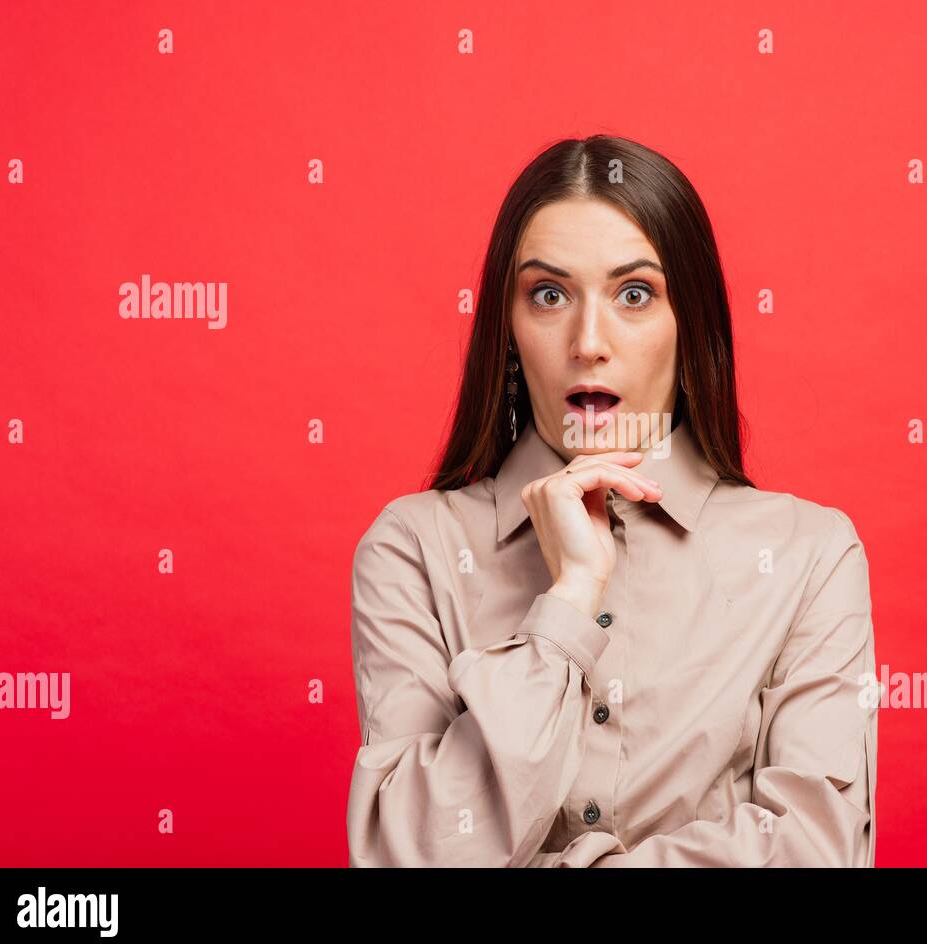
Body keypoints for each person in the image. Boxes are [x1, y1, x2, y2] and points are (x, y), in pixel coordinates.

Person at [346, 134, 877, 867]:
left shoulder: (809, 555)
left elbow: (816, 853)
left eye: (634, 294)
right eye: (549, 294)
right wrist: (567, 602)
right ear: (508, 333)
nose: (588, 341)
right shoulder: (411, 548)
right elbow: (411, 852)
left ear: (690, 327)